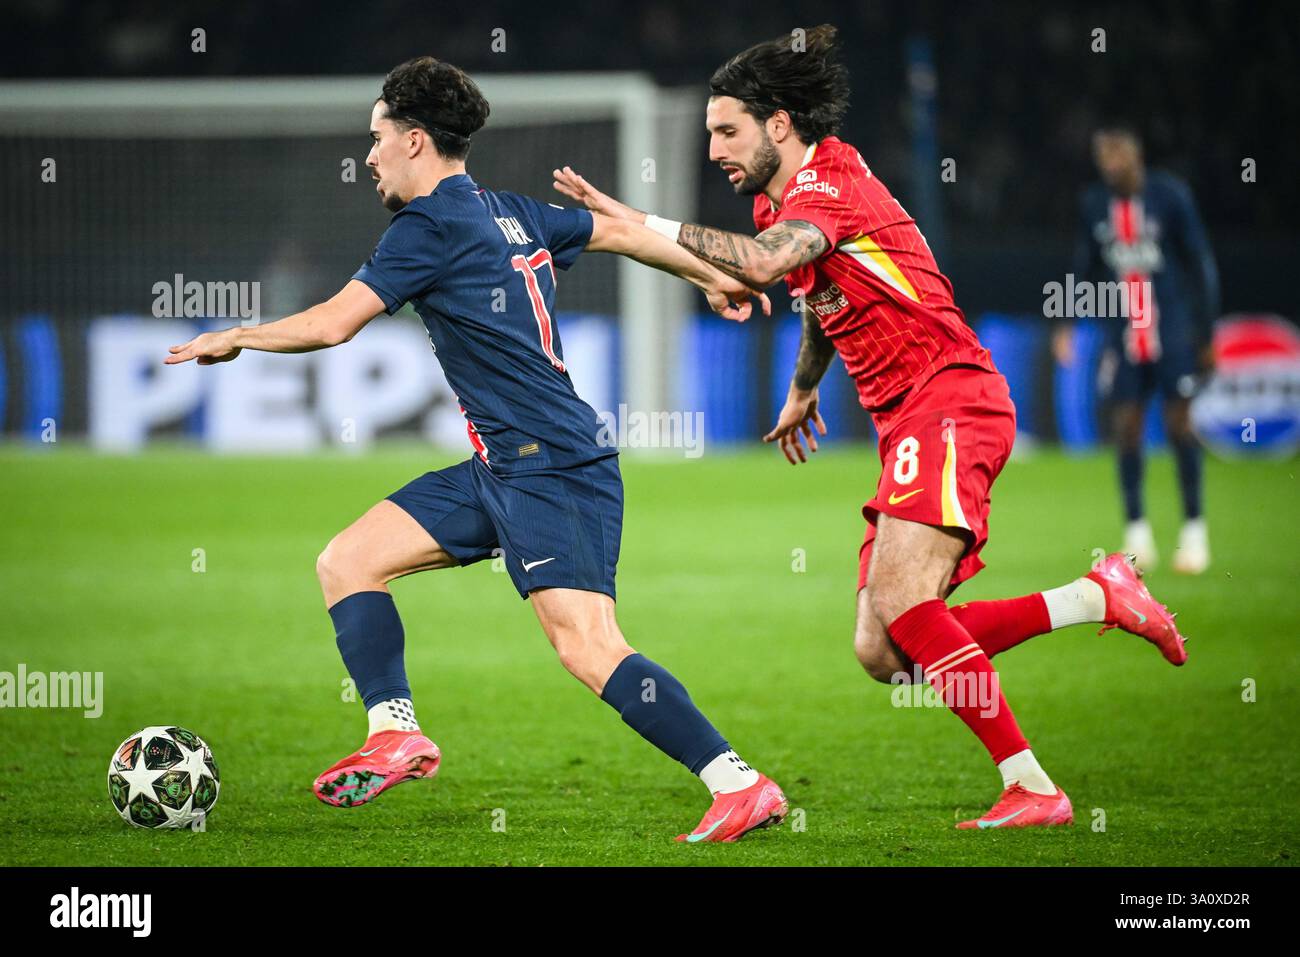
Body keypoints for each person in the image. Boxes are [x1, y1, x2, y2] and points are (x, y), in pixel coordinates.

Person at [554, 26, 1187, 829]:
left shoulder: (831, 184)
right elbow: (820, 292)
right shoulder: (779, 199)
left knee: (900, 595)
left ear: (778, 123)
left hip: (949, 394)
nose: (713, 147)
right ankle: (1095, 596)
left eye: (726, 130)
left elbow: (756, 264)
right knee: (884, 649)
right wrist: (803, 387)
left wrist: (639, 218)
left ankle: (1033, 785)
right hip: (907, 420)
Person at [165, 55, 788, 844]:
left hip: (552, 463)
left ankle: (736, 781)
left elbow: (330, 323)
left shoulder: (426, 227)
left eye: (378, 137)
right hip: (502, 463)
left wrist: (238, 337)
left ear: (416, 140)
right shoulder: (510, 212)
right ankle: (394, 730)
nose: (370, 155)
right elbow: (620, 232)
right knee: (348, 561)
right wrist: (707, 276)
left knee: (589, 646)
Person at [1055, 126, 1220, 573]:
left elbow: (1199, 262)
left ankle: (1193, 530)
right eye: (1102, 156)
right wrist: (1065, 323)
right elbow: (1083, 264)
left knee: (1179, 424)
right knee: (1125, 426)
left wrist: (1206, 333)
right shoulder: (1094, 205)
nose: (1110, 164)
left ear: (1136, 154)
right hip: (1121, 335)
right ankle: (1137, 533)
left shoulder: (1170, 197)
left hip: (1171, 333)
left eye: (1117, 154)